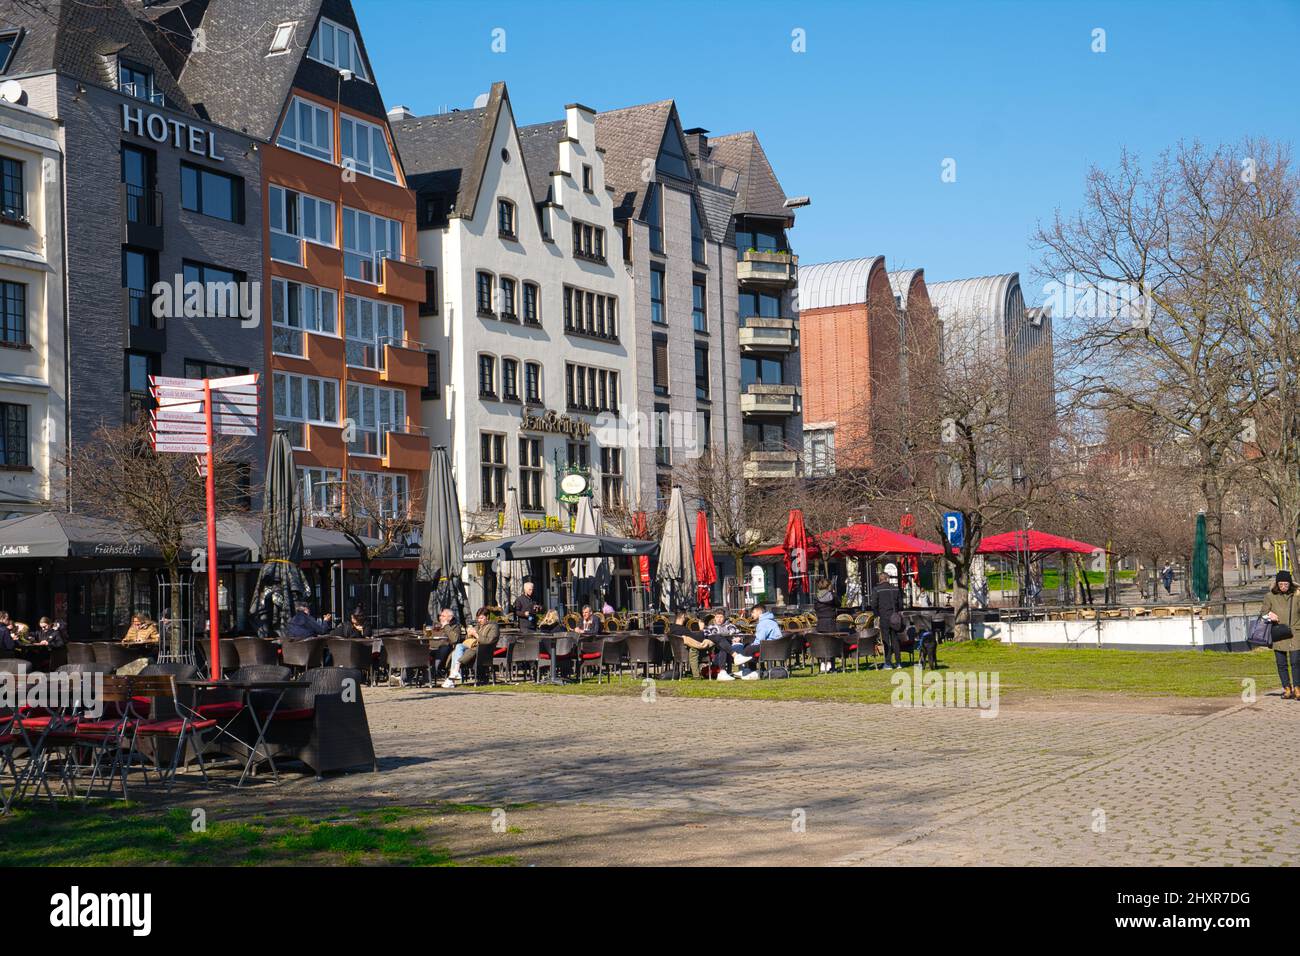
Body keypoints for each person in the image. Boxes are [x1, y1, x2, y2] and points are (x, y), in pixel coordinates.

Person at [1261, 569, 1299, 699]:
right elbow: (1262, 614)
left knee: (1296, 661)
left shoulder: (1297, 595)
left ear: (1290, 584)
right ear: (1277, 584)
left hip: (1295, 632)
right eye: (1281, 584)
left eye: (1286, 584)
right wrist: (1269, 616)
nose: (1283, 587)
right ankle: (1287, 688)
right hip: (1278, 633)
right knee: (1281, 663)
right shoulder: (1270, 596)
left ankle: (1298, 688)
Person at [443, 607, 499, 688]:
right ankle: (455, 672)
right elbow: (468, 641)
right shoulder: (478, 626)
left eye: (482, 618)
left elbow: (489, 641)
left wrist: (476, 635)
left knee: (457, 652)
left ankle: (451, 678)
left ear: (487, 617)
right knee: (458, 646)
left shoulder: (493, 626)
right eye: (478, 618)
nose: (479, 620)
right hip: (473, 649)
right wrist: (469, 634)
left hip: (484, 652)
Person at [728, 604, 782, 680]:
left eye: (753, 612)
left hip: (770, 646)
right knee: (749, 646)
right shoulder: (770, 620)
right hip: (775, 645)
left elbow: (760, 639)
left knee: (748, 648)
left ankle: (750, 670)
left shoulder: (764, 623)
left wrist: (751, 645)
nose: (751, 614)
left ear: (759, 612)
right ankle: (749, 670)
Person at [872, 571, 904, 670]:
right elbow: (900, 605)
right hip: (894, 617)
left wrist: (877, 614)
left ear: (880, 579)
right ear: (888, 579)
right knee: (895, 640)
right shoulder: (895, 589)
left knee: (886, 640)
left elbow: (874, 605)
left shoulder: (876, 590)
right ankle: (898, 663)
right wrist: (896, 612)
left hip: (884, 617)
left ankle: (888, 663)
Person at [429, 607, 462, 680]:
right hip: (431, 648)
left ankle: (434, 672)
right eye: (440, 616)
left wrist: (446, 626)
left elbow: (455, 639)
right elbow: (429, 637)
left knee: (444, 647)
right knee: (417, 648)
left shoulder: (455, 626)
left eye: (443, 616)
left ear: (450, 617)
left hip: (445, 650)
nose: (440, 617)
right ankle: (406, 677)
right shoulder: (437, 625)